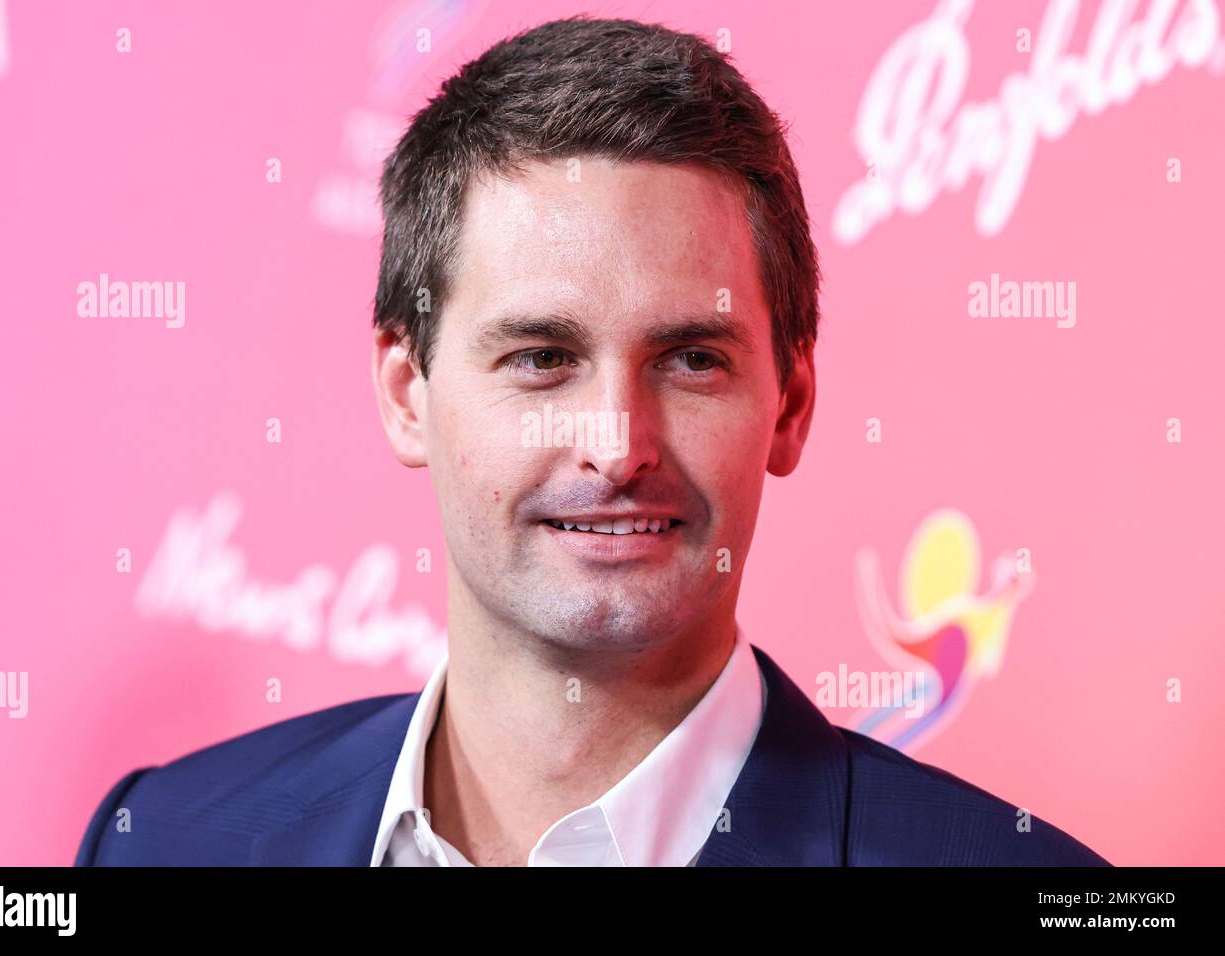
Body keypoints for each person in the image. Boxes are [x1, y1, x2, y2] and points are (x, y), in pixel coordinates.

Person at [76, 16, 1108, 867]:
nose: (617, 447)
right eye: (540, 357)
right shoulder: (163, 841)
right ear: (406, 391)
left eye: (691, 359)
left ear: (790, 401)